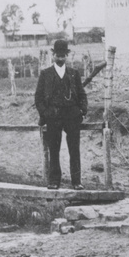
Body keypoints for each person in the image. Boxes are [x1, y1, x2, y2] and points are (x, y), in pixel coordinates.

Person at [35, 39, 88, 189]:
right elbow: (38, 97)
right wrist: (45, 113)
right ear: (53, 55)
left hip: (72, 116)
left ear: (67, 56)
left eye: (63, 55)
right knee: (54, 148)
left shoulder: (73, 74)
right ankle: (54, 181)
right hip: (53, 116)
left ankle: (76, 182)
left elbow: (82, 94)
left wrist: (82, 111)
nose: (60, 58)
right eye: (58, 55)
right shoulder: (46, 74)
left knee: (74, 149)